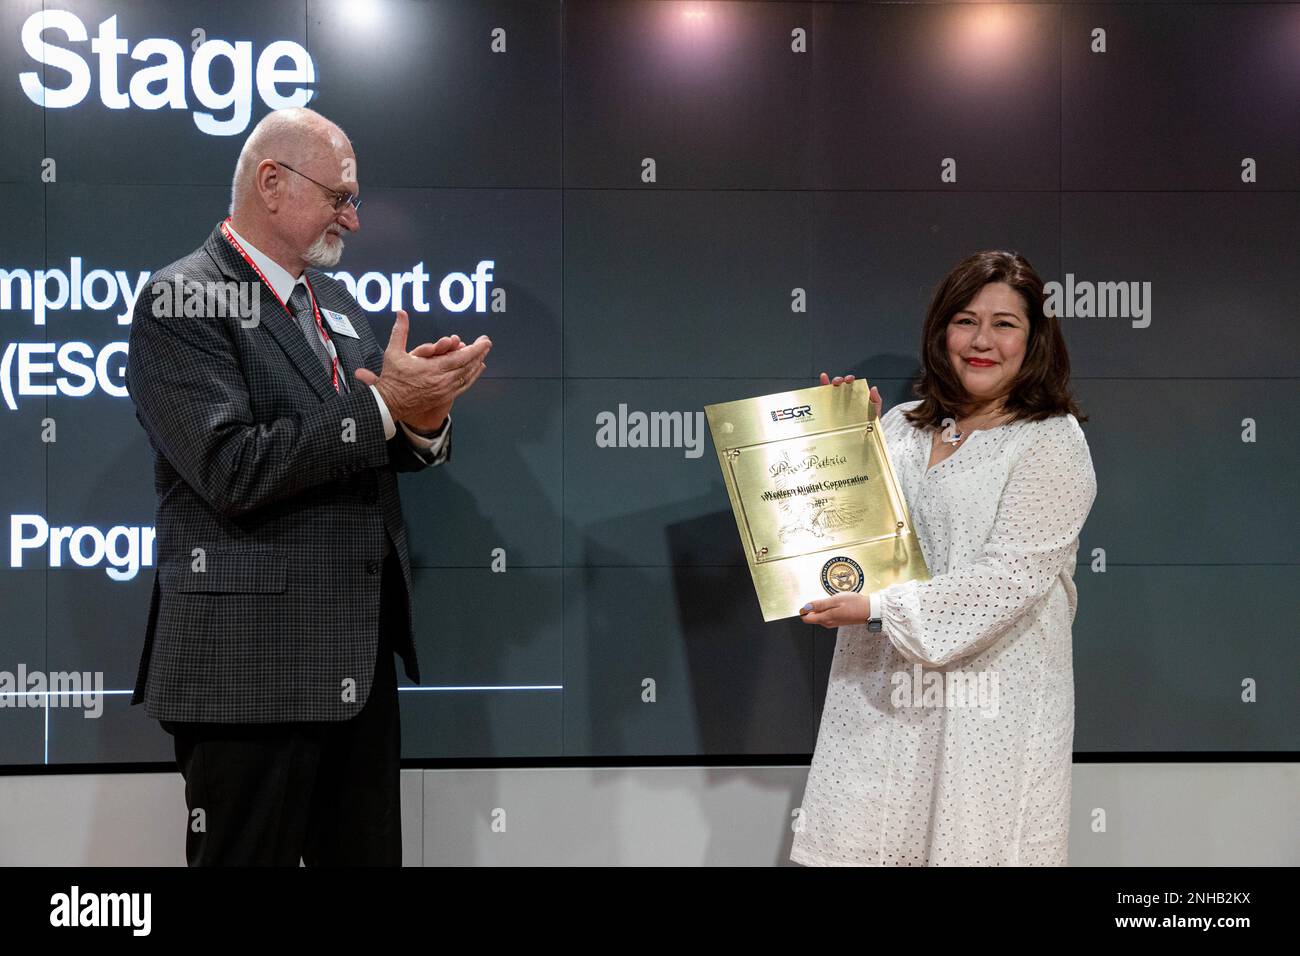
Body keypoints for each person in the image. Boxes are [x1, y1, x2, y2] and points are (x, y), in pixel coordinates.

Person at [125, 107, 491, 866]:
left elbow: (374, 447)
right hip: (248, 680)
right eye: (340, 196)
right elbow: (230, 468)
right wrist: (386, 405)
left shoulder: (333, 313)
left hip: (355, 673)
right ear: (272, 183)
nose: (353, 219)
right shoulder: (182, 299)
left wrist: (421, 415)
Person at [790, 250, 1097, 866]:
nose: (982, 340)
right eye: (965, 320)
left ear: (1034, 339)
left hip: (989, 714)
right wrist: (840, 453)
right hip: (879, 699)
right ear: (940, 332)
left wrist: (876, 608)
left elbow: (1007, 581)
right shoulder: (899, 426)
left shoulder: (1052, 442)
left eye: (1005, 323)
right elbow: (843, 544)